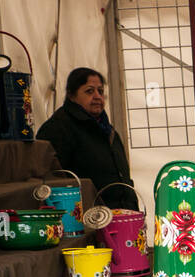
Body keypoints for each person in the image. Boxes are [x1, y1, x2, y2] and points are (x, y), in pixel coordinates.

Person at [36, 68, 138, 210]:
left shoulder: (106, 129)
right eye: (89, 91)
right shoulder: (58, 128)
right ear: (72, 95)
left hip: (119, 216)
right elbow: (51, 178)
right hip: (85, 219)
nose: (97, 97)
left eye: (100, 91)